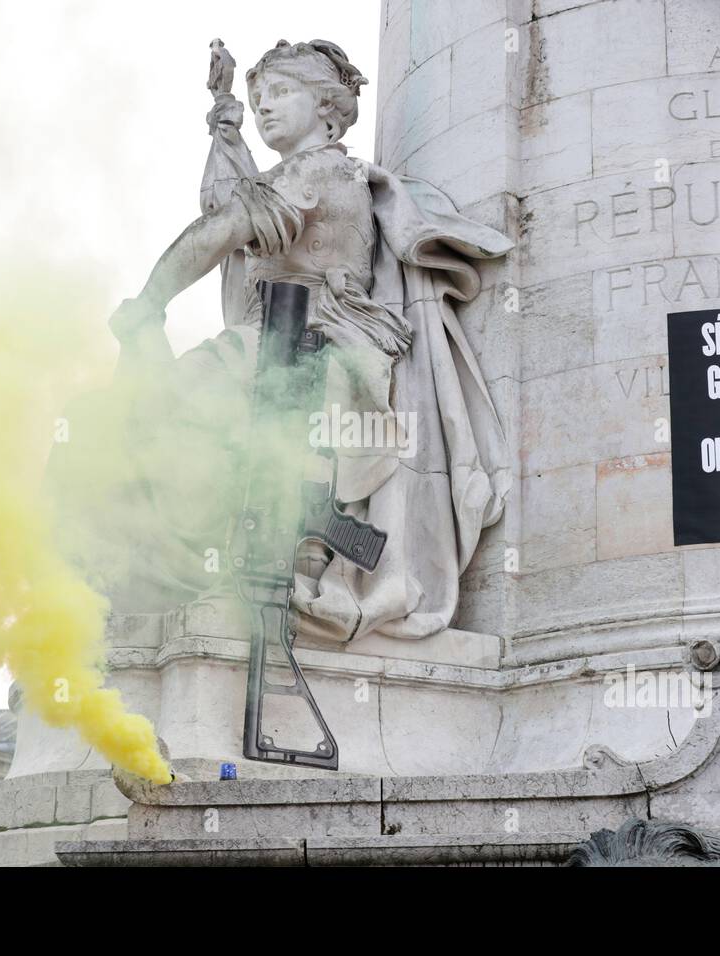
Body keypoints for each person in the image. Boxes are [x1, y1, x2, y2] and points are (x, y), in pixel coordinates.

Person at [52, 39, 513, 644]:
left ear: (327, 107)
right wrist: (224, 112)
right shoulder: (291, 177)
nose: (265, 107)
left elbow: (225, 228)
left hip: (313, 343)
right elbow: (236, 200)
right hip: (274, 340)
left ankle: (218, 565)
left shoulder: (324, 170)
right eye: (258, 96)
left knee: (169, 412)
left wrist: (149, 303)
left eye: (280, 93)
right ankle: (176, 566)